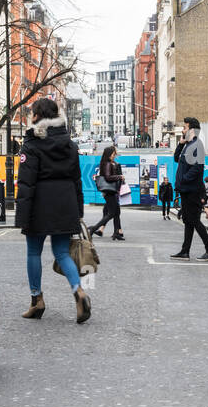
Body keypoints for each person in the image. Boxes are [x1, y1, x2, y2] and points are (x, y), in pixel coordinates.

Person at [14, 99, 91, 323]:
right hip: (65, 203)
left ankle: (36, 300)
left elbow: (26, 183)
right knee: (62, 252)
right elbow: (77, 180)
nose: (31, 116)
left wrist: (22, 215)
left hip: (40, 204)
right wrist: (78, 209)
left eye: (32, 112)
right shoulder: (70, 144)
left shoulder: (32, 144)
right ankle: (79, 291)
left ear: (38, 116)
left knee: (33, 253)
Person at [170, 117, 208, 260]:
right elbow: (176, 158)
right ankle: (185, 251)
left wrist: (184, 179)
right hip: (186, 190)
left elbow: (198, 168)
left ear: (191, 130)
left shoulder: (197, 145)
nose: (182, 130)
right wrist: (180, 143)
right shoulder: (188, 145)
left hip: (192, 190)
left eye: (184, 128)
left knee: (194, 220)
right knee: (188, 221)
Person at [89, 145, 125, 240]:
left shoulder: (106, 163)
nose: (114, 156)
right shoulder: (108, 164)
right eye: (113, 154)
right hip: (109, 192)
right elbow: (108, 178)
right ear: (109, 154)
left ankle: (117, 232)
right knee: (112, 213)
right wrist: (119, 177)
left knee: (116, 211)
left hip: (110, 192)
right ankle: (94, 228)